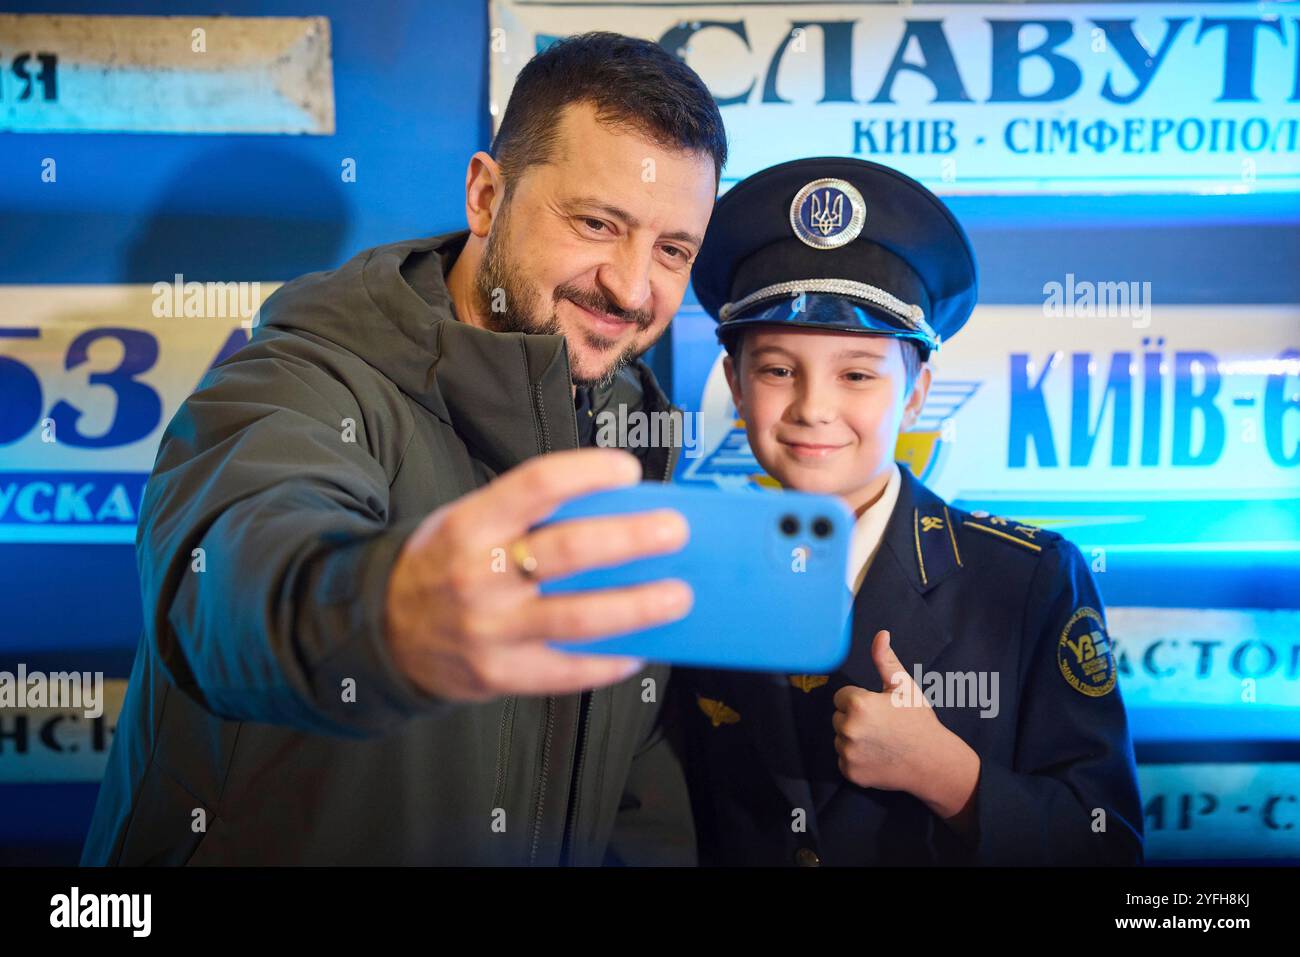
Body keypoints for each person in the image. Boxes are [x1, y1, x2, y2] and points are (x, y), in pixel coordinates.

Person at [81, 32, 725, 866]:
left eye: (673, 249)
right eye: (598, 223)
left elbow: (632, 764)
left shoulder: (631, 426)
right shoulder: (302, 377)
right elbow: (226, 580)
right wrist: (389, 612)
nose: (633, 288)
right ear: (487, 196)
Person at [674, 156, 1144, 866]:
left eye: (857, 374)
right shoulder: (690, 574)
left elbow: (1107, 846)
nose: (813, 408)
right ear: (736, 387)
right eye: (777, 370)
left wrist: (948, 777)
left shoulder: (1027, 581)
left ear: (917, 392)